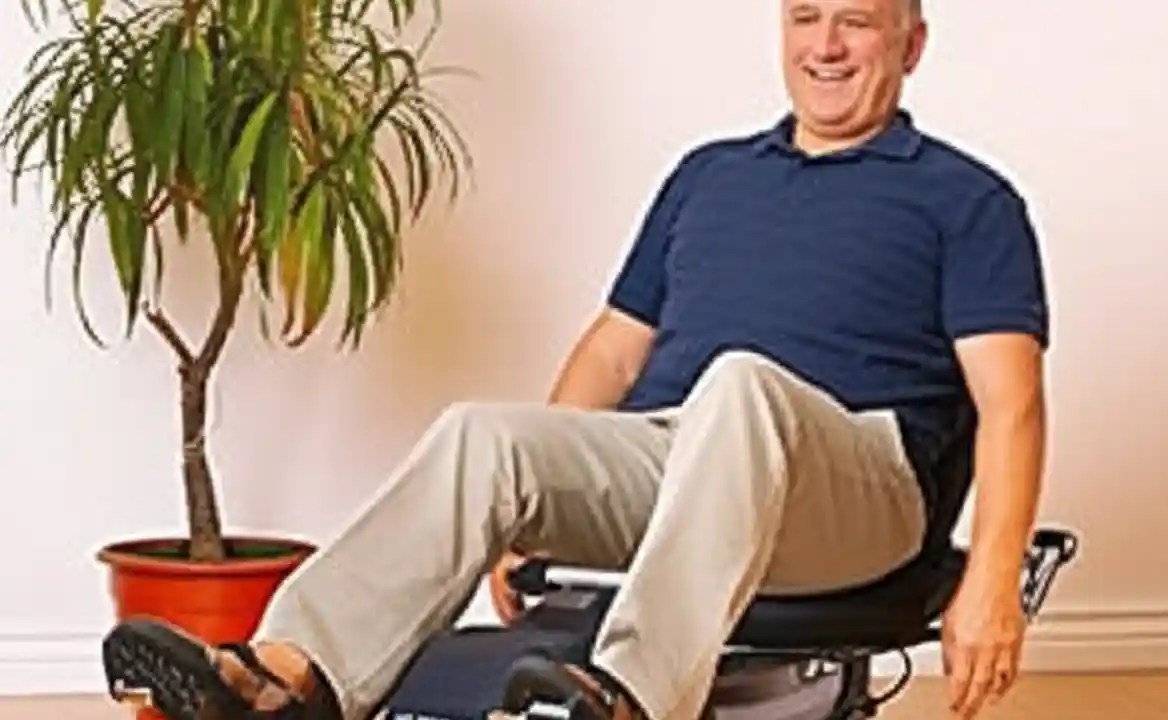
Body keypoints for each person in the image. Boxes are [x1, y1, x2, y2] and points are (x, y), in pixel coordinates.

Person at [100, 0, 1050, 719]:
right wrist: (530, 510)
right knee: (486, 435)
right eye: (806, 16)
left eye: (859, 22)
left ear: (912, 44)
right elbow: (614, 348)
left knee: (741, 384)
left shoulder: (964, 200)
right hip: (690, 451)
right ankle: (290, 676)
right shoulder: (709, 176)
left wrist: (992, 582)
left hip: (860, 484)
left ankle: (632, 694)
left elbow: (1010, 405)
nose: (827, 44)